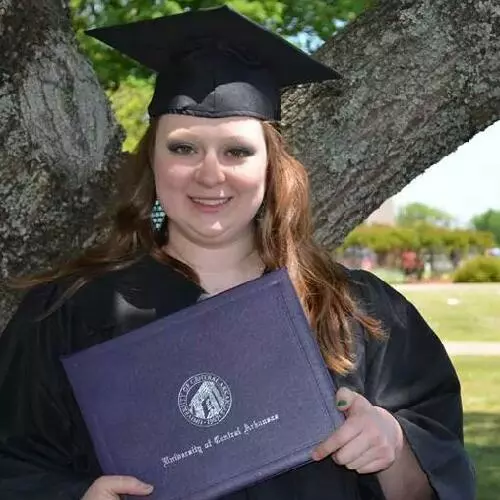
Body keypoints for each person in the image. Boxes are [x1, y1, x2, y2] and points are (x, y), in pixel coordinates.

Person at [0, 6, 475, 500]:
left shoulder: (362, 311)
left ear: (271, 166)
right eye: (183, 148)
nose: (210, 175)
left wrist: (393, 447)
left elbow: (436, 483)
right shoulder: (70, 312)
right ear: (152, 161)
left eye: (236, 151)